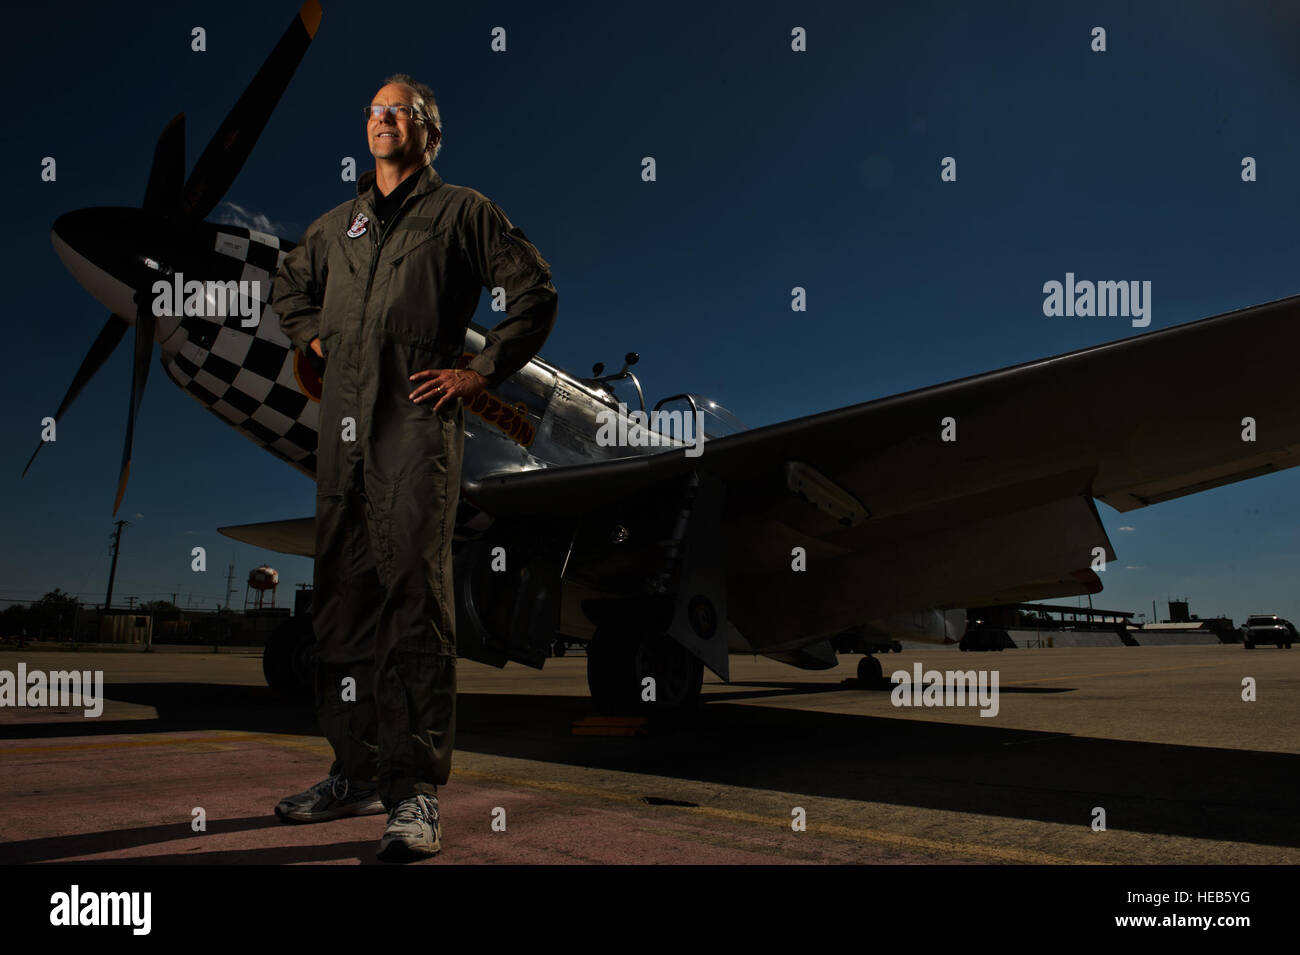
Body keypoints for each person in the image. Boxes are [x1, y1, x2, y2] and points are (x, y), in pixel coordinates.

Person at [269, 74, 557, 862]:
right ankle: (353, 772)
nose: (382, 119)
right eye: (372, 110)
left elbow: (533, 291)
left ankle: (416, 791)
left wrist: (484, 368)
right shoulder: (338, 226)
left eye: (399, 110)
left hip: (416, 436)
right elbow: (288, 288)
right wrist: (313, 337)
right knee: (339, 611)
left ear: (431, 131)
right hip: (343, 444)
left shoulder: (463, 212)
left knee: (414, 607)